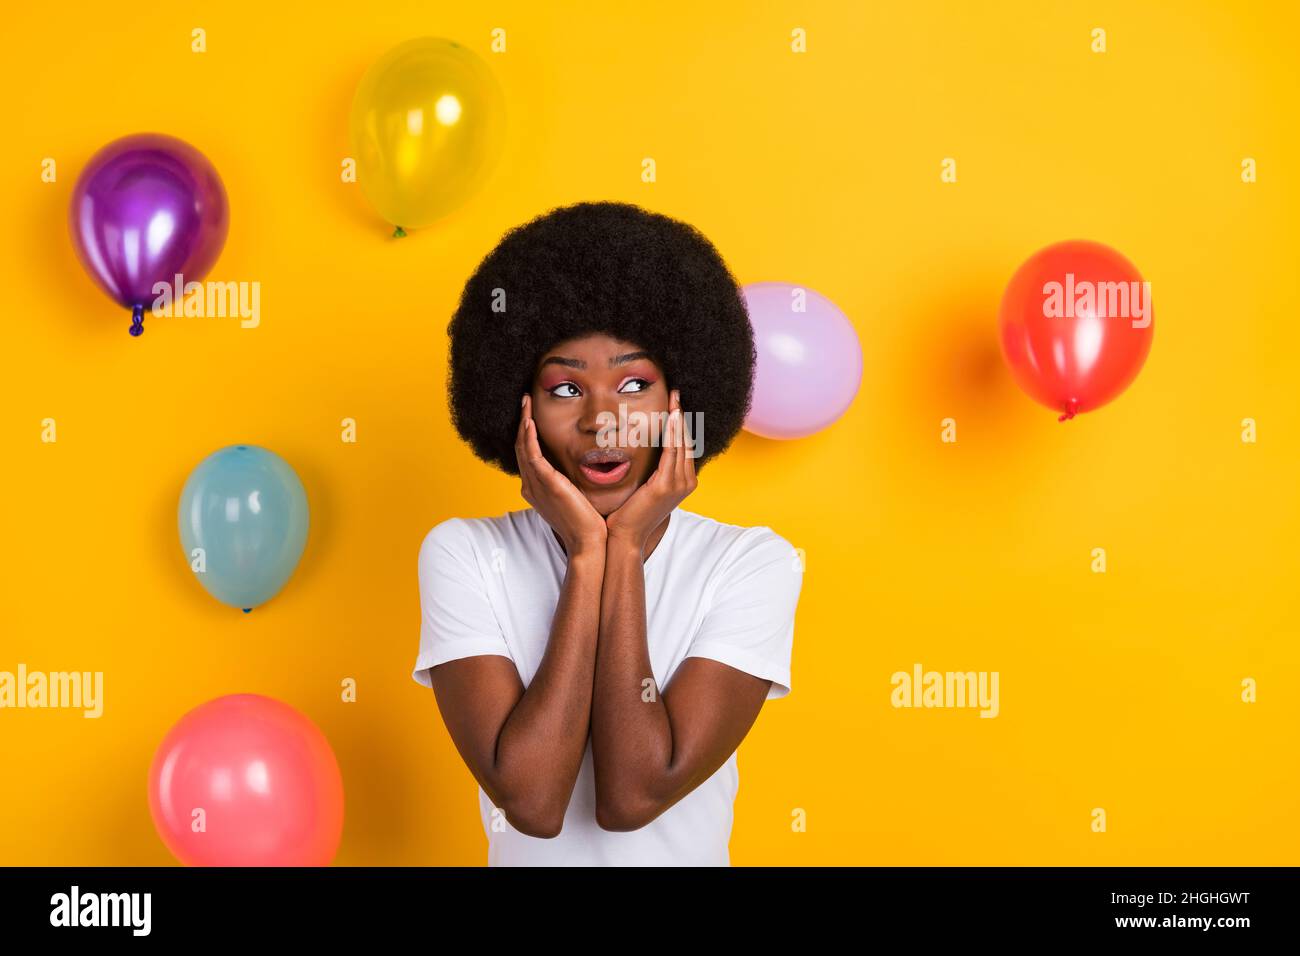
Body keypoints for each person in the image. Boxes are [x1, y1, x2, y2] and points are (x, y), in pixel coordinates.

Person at [413, 200, 804, 865]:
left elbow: (633, 793)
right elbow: (532, 801)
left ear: (684, 399)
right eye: (566, 389)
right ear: (521, 408)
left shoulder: (749, 563)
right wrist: (588, 559)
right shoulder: (466, 554)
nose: (603, 421)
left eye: (634, 383)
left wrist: (620, 546)